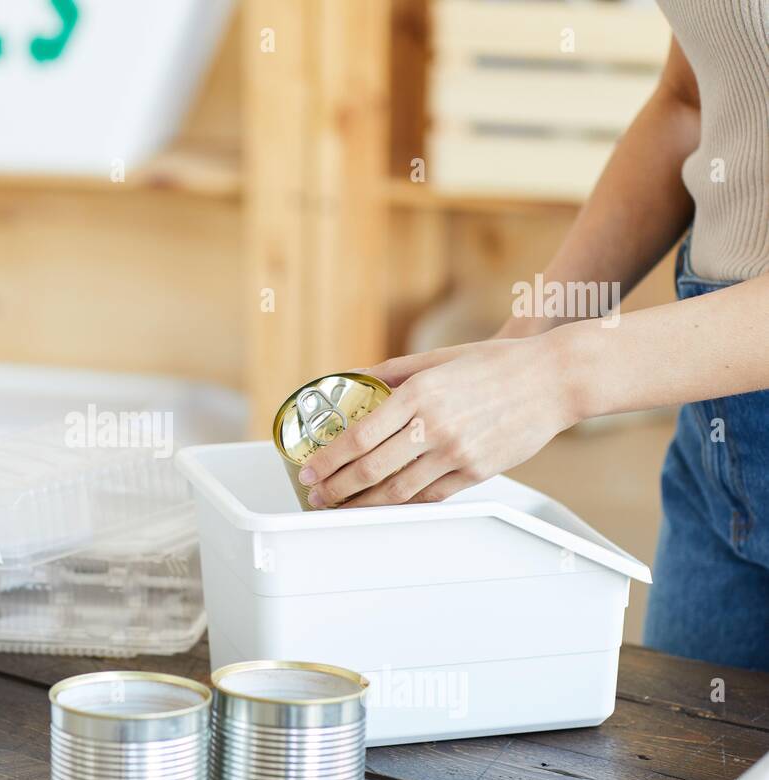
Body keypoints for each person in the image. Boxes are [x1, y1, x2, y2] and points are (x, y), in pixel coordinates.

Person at [296, 1, 769, 671]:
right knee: (690, 764)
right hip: (721, 438)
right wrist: (517, 348)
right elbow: (691, 100)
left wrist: (556, 377)